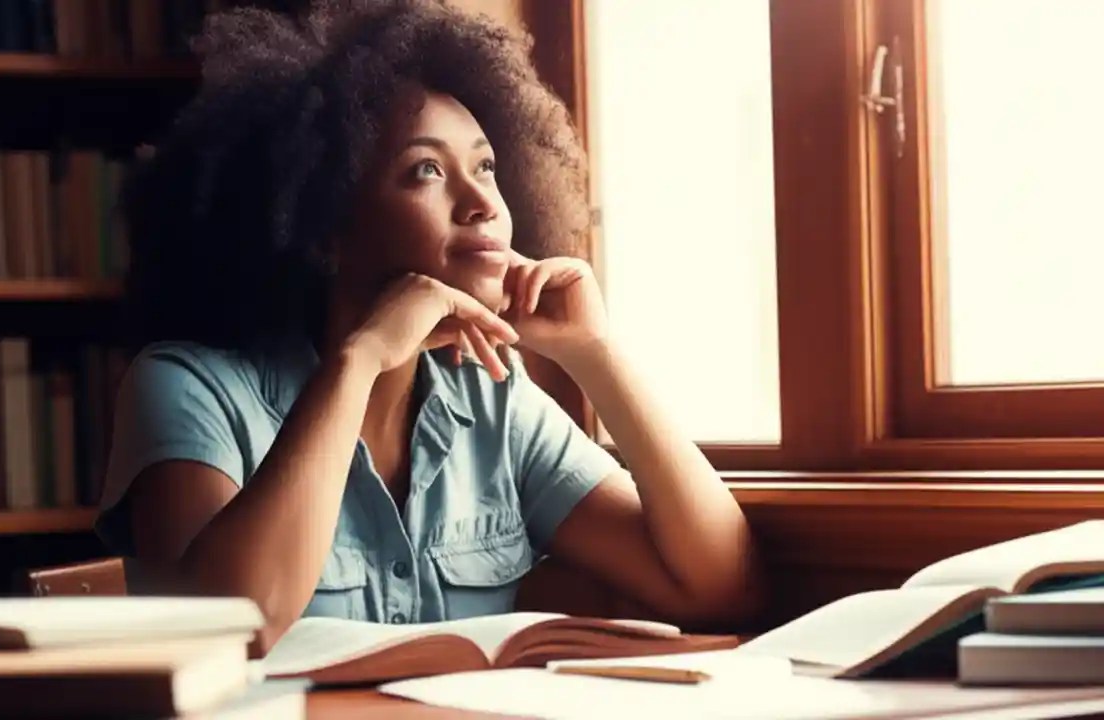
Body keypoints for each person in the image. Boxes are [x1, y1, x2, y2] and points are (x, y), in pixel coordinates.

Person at [96, 0, 762, 651]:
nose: (481, 204)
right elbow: (238, 628)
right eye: (426, 171)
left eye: (486, 167)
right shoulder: (186, 388)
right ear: (325, 229)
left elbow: (717, 586)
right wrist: (358, 361)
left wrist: (595, 355)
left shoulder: (495, 404)